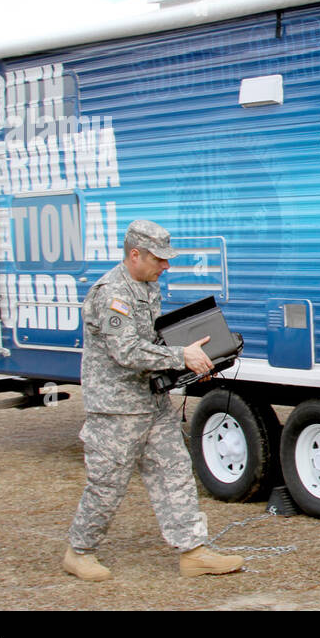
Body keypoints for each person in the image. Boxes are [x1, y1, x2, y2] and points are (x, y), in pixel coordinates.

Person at [63, 219, 244, 581]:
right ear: (135, 255)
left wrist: (191, 365)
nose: (166, 265)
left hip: (152, 402)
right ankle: (79, 552)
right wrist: (181, 357)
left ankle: (193, 551)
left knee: (175, 473)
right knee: (107, 485)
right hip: (116, 411)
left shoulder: (147, 286)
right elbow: (126, 351)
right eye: (159, 259)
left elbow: (153, 342)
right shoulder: (111, 294)